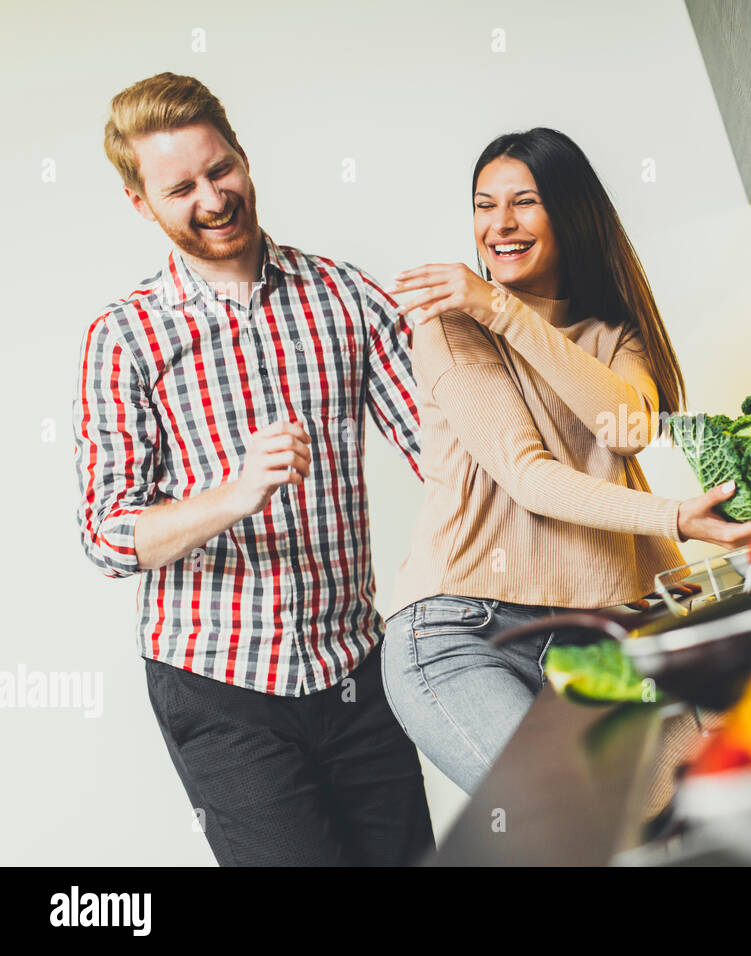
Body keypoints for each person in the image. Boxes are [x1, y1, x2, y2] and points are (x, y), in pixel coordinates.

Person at [74, 72, 434, 866]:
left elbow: (448, 456)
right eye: (180, 188)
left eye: (220, 169)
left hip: (355, 670)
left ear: (241, 155)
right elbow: (106, 535)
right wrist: (234, 495)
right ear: (142, 205)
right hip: (220, 687)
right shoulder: (126, 338)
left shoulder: (343, 296)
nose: (212, 198)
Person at [381, 127, 751, 796]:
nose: (499, 224)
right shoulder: (449, 325)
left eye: (524, 202)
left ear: (570, 211)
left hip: (594, 637)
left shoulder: (613, 334)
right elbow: (530, 477)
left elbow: (626, 425)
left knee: (686, 810)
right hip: (461, 636)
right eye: (483, 204)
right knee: (568, 822)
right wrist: (676, 517)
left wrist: (503, 308)